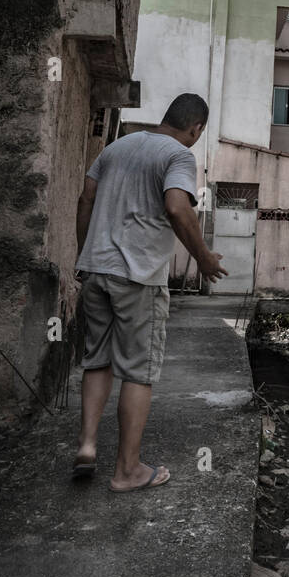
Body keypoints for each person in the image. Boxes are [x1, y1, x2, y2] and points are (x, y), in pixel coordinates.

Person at [72, 92, 227, 492]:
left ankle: (87, 446)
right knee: (138, 372)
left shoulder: (116, 147)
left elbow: (86, 198)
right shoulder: (178, 155)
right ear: (196, 129)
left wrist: (84, 253)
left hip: (95, 269)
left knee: (97, 360)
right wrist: (205, 258)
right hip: (137, 277)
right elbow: (177, 207)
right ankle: (128, 471)